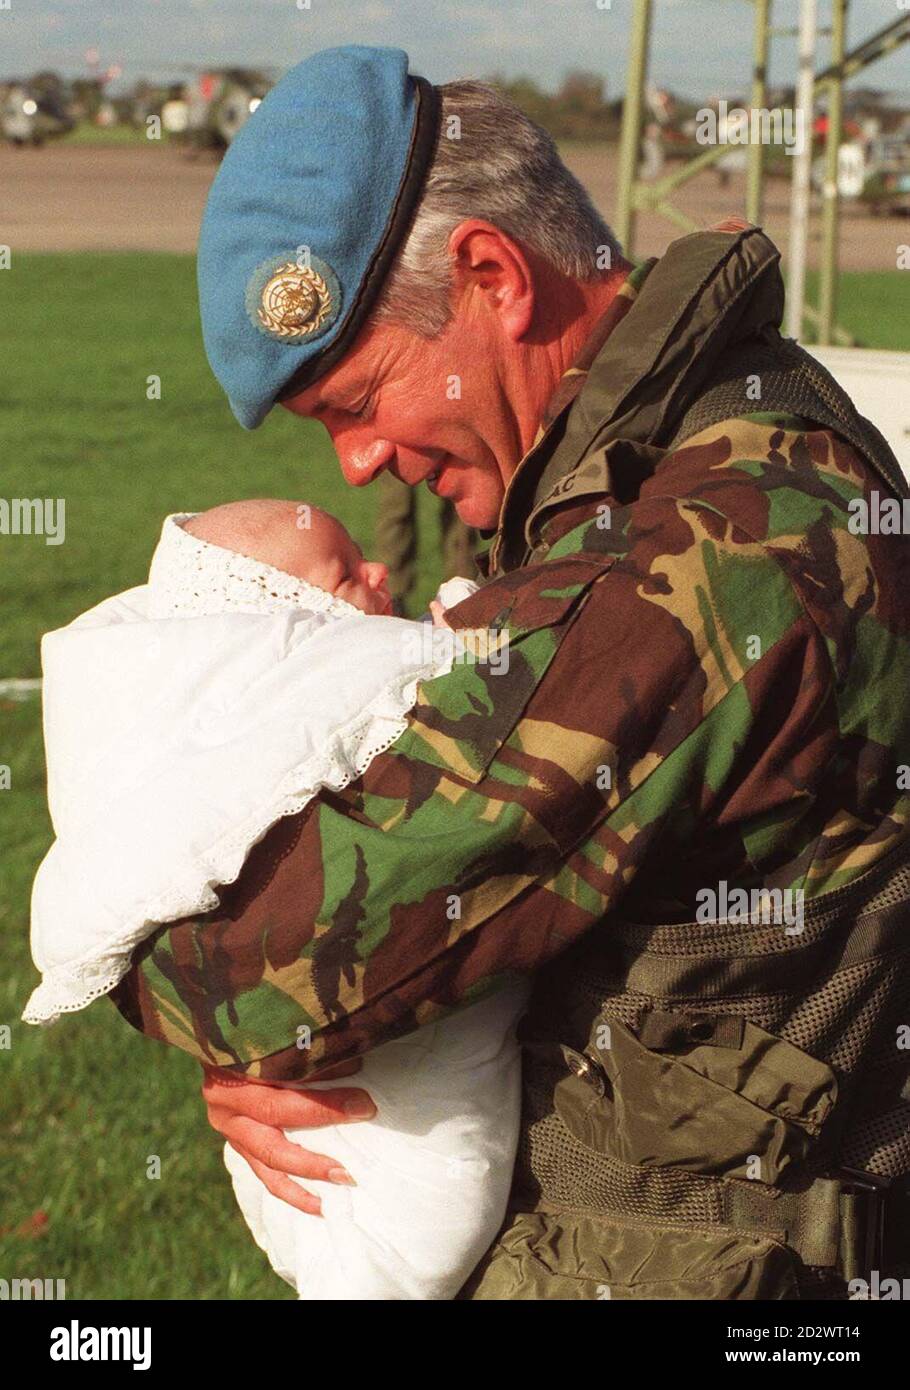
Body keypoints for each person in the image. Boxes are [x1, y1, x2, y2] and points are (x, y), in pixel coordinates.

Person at [110, 46, 910, 1299]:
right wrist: (303, 1041)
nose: (360, 467)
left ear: (493, 275)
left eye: (357, 402)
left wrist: (223, 1014)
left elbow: (276, 961)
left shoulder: (708, 545)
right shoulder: (669, 466)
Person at [25, 499, 528, 1299]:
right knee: (407, 1214)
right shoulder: (325, 685)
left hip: (325, 1127)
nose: (376, 575)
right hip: (357, 1126)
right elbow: (484, 671)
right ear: (288, 622)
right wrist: (466, 631)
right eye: (344, 573)